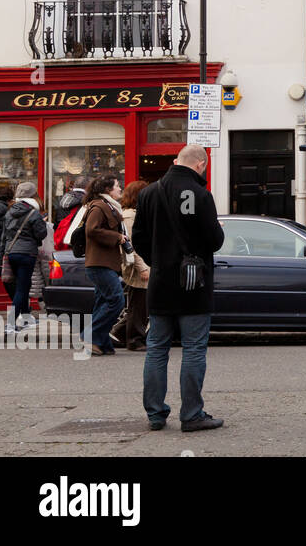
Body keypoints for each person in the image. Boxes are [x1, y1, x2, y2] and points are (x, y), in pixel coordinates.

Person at [133, 144, 226, 432]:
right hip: (193, 283)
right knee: (194, 348)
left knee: (157, 348)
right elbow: (214, 240)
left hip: (161, 282)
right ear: (200, 165)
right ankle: (192, 414)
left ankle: (155, 414)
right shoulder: (200, 194)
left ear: (178, 161)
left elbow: (138, 237)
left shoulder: (149, 193)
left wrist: (158, 261)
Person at [80, 174, 128, 357]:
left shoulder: (108, 205)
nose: (120, 189)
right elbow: (91, 230)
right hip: (99, 263)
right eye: (117, 186)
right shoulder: (99, 206)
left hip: (105, 262)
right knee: (116, 301)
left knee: (103, 302)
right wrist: (117, 237)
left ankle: (103, 343)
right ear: (108, 190)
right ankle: (90, 336)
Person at [0, 182, 48, 332]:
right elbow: (42, 234)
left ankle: (26, 318)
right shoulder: (33, 213)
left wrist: (2, 255)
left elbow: (4, 236)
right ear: (33, 195)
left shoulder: (9, 212)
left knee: (24, 287)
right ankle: (11, 324)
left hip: (11, 252)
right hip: (27, 254)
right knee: (22, 288)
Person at [110, 180, 151, 351]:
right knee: (138, 304)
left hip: (140, 264)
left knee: (140, 304)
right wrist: (142, 267)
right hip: (136, 266)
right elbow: (130, 245)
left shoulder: (134, 214)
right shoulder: (129, 217)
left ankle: (118, 334)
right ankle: (134, 339)